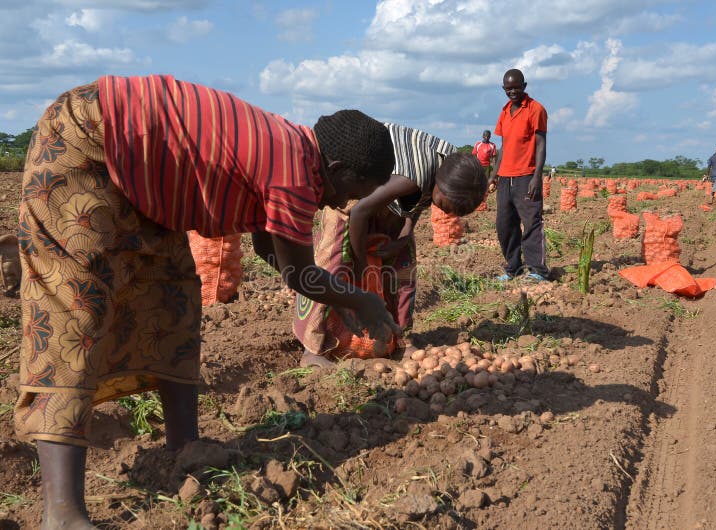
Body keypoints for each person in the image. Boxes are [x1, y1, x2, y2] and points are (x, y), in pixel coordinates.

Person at [14, 75, 400, 529]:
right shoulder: (296, 172)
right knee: (75, 309)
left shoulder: (293, 152)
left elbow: (266, 250)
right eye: (354, 189)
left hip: (143, 176)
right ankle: (61, 514)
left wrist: (341, 298)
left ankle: (185, 449)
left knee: (171, 295)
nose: (349, 201)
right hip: (89, 137)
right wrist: (364, 302)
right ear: (336, 168)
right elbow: (297, 274)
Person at [294, 123, 487, 366]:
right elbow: (359, 212)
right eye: (445, 204)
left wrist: (404, 235)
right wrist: (362, 265)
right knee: (333, 263)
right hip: (349, 194)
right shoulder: (411, 178)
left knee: (404, 264)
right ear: (439, 182)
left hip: (382, 197)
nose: (445, 211)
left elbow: (419, 201)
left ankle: (400, 337)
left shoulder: (453, 165)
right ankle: (313, 349)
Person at [488, 68, 549, 282]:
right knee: (505, 225)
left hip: (526, 176)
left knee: (531, 223)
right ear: (503, 89)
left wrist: (536, 177)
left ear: (524, 86)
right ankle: (512, 268)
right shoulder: (504, 111)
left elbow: (541, 145)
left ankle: (538, 271)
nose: (512, 91)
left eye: (516, 87)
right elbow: (503, 147)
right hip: (505, 177)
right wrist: (494, 175)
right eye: (508, 88)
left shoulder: (536, 109)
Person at [472, 130, 497, 210]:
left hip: (487, 167)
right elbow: (474, 156)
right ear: (483, 136)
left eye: (488, 136)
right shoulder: (478, 144)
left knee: (485, 185)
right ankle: (475, 203)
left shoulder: (492, 145)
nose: (486, 137)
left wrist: (494, 170)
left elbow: (493, 159)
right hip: (478, 166)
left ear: (490, 137)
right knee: (477, 184)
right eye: (485, 136)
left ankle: (483, 203)